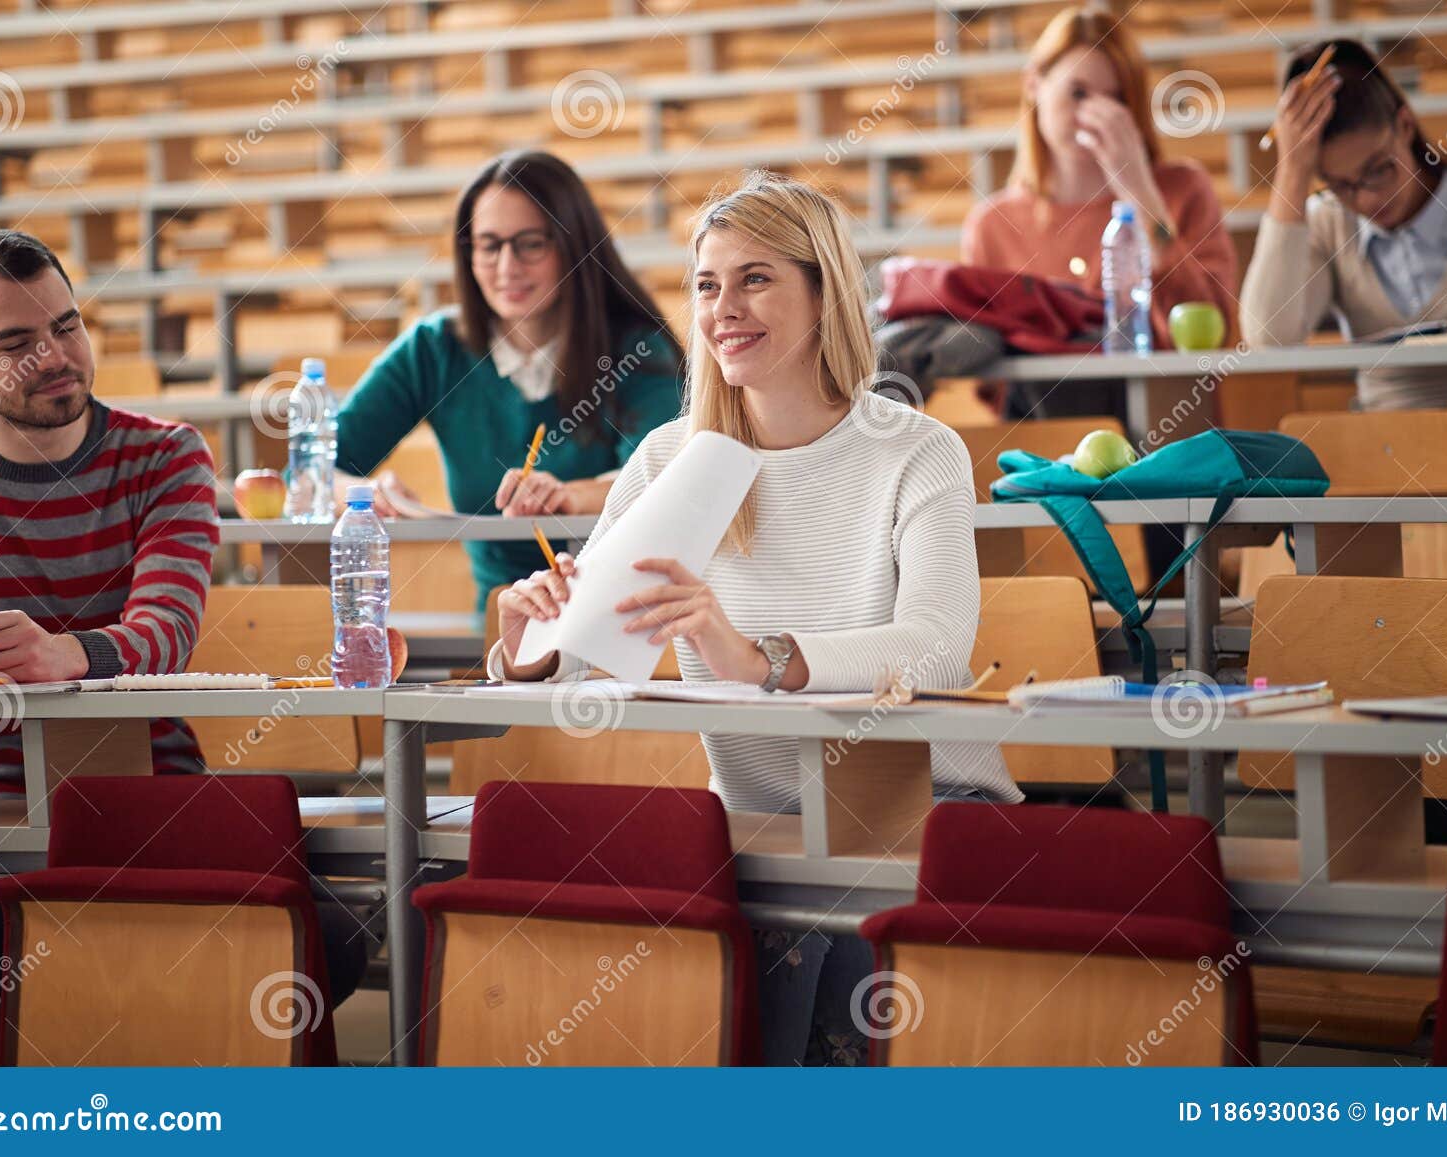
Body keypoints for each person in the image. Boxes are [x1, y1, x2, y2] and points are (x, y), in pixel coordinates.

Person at [488, 172, 1020, 1065]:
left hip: (922, 812)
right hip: (759, 824)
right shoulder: (670, 458)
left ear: (824, 292)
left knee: (819, 984)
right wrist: (530, 642)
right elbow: (584, 663)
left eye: (755, 278)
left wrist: (756, 657)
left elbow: (935, 650)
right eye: (705, 284)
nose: (722, 307)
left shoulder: (914, 449)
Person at [0, 230, 365, 1064]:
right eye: (18, 344)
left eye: (66, 326)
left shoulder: (165, 454)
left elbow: (164, 631)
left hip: (154, 802)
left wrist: (69, 654)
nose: (56, 356)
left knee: (332, 944)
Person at [335, 149, 685, 609]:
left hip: (622, 613)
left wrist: (569, 496)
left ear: (573, 245)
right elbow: (311, 472)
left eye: (530, 243)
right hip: (500, 628)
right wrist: (364, 493)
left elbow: (664, 481)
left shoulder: (637, 350)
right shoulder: (433, 349)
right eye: (488, 245)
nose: (506, 267)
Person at [961, 4, 1238, 419]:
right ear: (1034, 84)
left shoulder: (1182, 190)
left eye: (1115, 99)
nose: (1097, 115)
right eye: (1078, 93)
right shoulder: (992, 225)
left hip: (1165, 435)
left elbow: (1212, 334)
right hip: (1046, 452)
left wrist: (1140, 191)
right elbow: (992, 387)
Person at [1240, 39, 1447, 409]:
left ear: (1406, 126)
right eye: (1341, 185)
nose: (1366, 200)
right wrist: (1292, 173)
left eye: (1378, 169)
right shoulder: (1328, 220)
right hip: (1383, 452)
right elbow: (1269, 337)